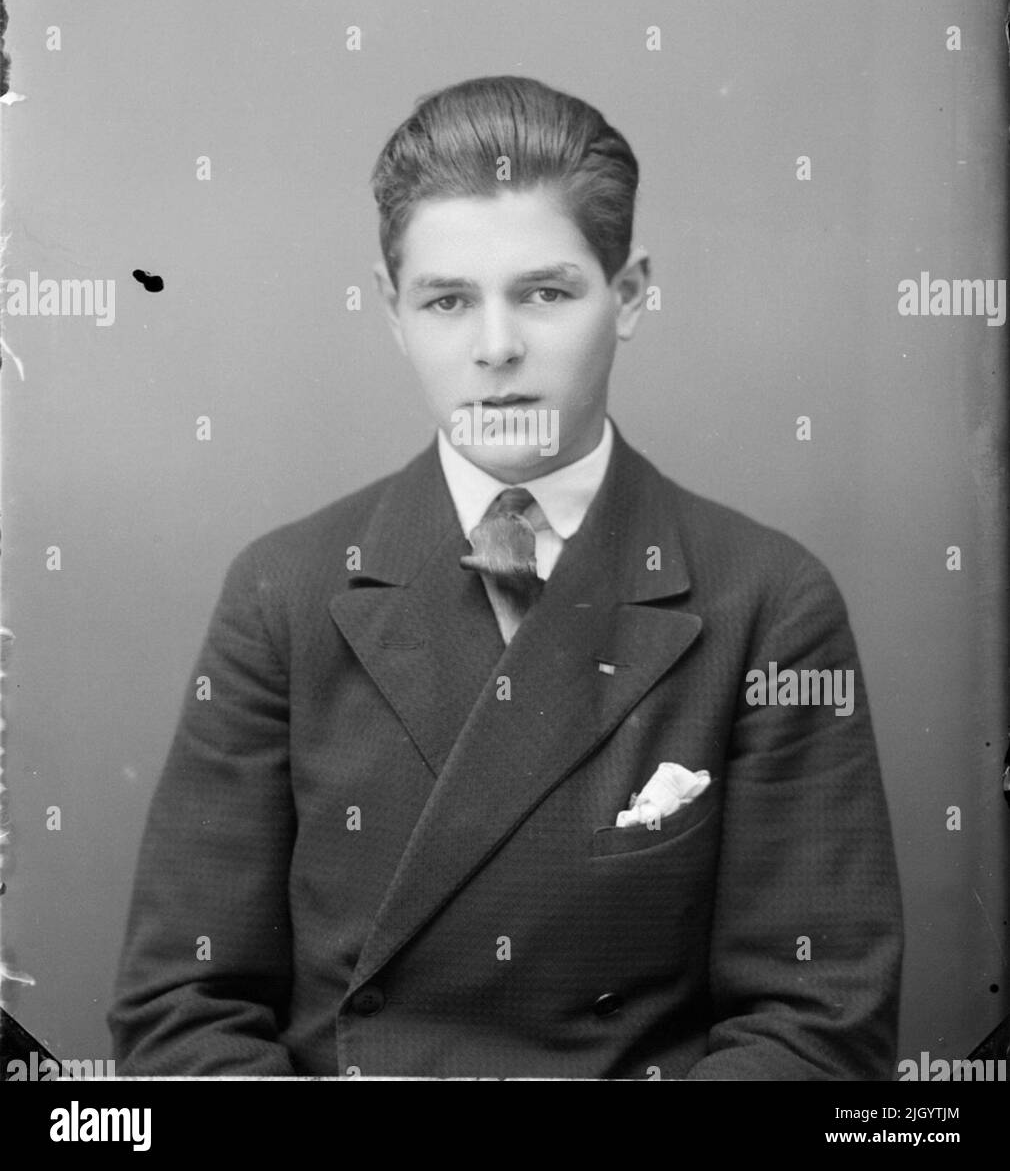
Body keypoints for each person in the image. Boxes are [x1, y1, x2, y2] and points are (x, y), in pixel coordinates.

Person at [109, 75, 903, 1079]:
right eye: (447, 300)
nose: (496, 348)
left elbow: (815, 1025)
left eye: (544, 292)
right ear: (393, 314)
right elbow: (181, 1010)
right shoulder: (284, 594)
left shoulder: (766, 602)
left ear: (630, 295)